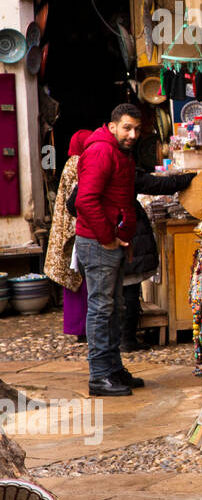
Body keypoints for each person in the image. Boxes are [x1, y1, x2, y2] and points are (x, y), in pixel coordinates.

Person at [74, 104, 143, 396]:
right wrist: (107, 238)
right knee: (102, 309)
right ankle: (100, 375)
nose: (133, 134)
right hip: (98, 241)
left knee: (114, 308)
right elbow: (85, 201)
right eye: (127, 128)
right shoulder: (102, 151)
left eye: (137, 129)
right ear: (112, 125)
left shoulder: (120, 152)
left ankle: (113, 369)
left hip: (111, 241)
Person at [120, 168, 195, 352]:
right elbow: (159, 185)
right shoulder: (121, 168)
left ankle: (122, 338)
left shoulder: (95, 169)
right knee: (129, 288)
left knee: (122, 290)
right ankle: (126, 339)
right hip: (125, 232)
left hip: (114, 235)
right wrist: (192, 177)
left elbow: (73, 204)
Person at [44, 129, 93, 342]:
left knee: (76, 280)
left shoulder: (70, 162)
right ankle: (83, 328)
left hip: (71, 228)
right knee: (80, 281)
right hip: (76, 230)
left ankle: (80, 328)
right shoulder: (78, 164)